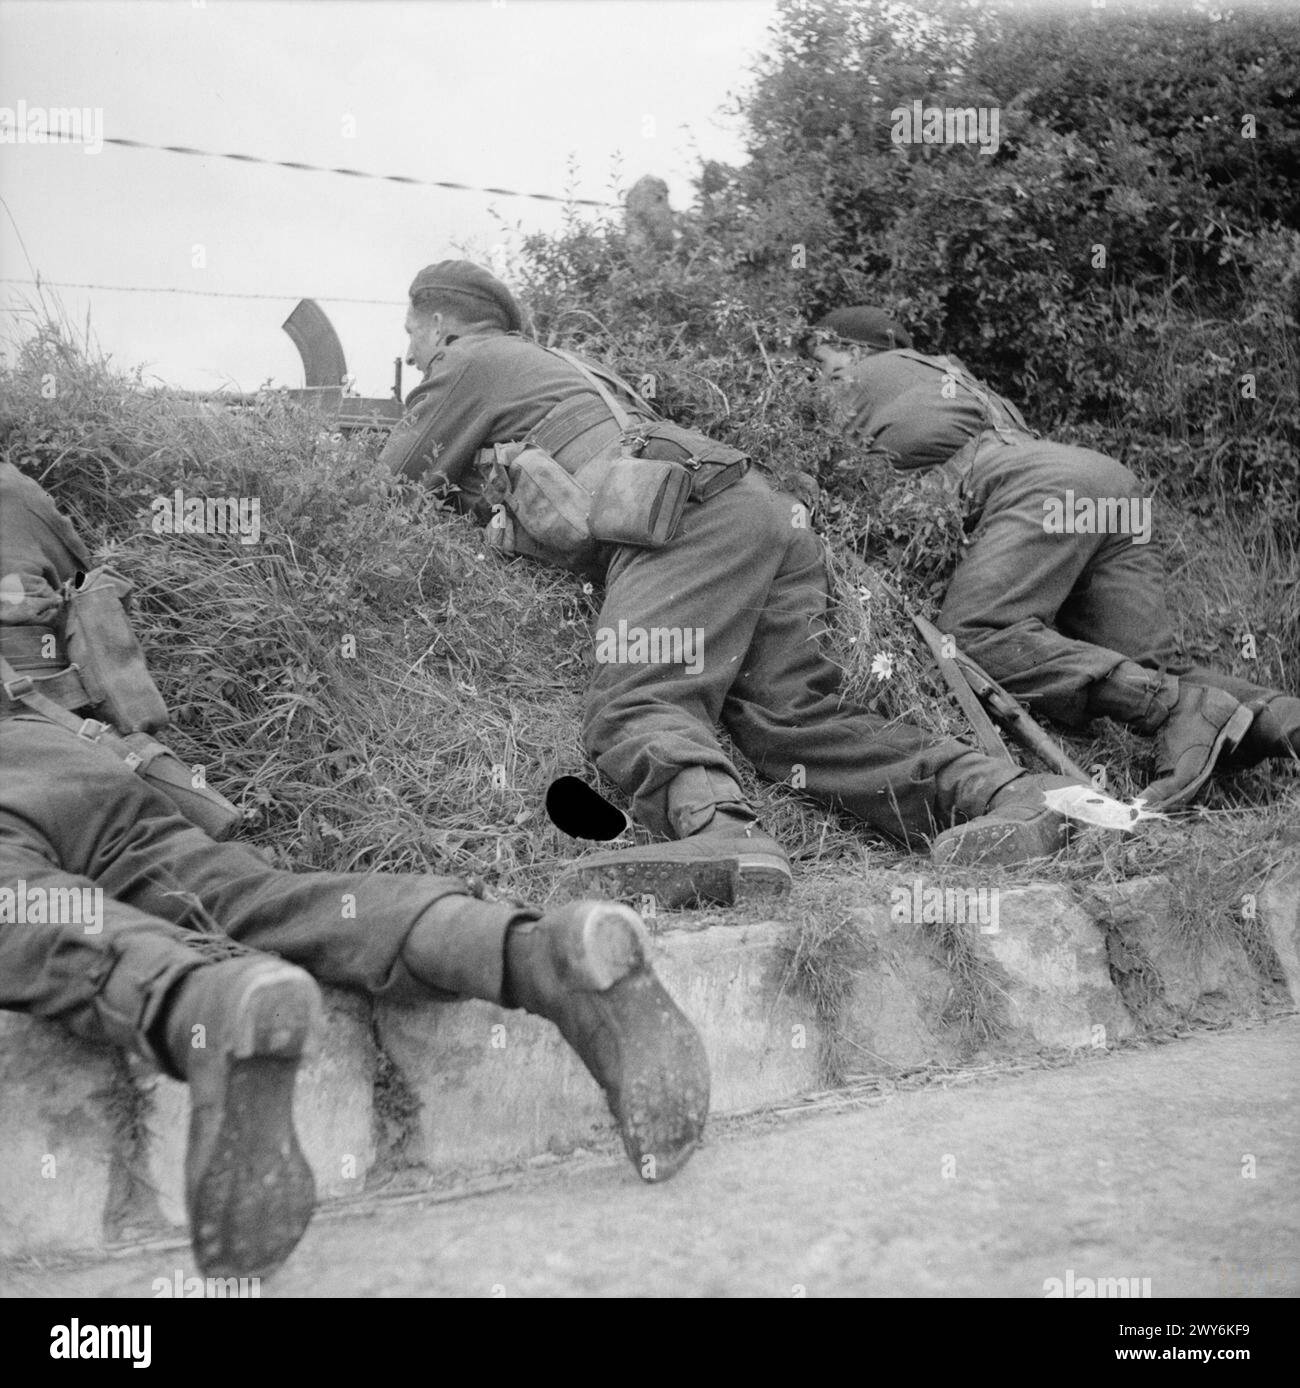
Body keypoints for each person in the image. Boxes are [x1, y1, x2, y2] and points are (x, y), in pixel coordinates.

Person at [0, 460, 709, 1279]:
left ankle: (201, 1006)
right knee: (262, 898)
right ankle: (536, 953)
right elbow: (84, 595)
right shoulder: (18, 489)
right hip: (84, 762)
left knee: (27, 906)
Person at [378, 260, 1090, 906]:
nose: (411, 351)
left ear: (439, 321)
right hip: (755, 506)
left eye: (411, 332)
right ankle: (1008, 794)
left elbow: (382, 487)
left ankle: (722, 836)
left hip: (685, 516)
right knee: (793, 725)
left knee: (635, 696)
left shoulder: (469, 360)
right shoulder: (554, 365)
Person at [808, 306, 1299, 808]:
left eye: (821, 361)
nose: (818, 377)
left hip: (1039, 489)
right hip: (1105, 484)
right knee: (1139, 664)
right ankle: (1280, 718)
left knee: (975, 635)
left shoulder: (859, 377)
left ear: (852, 350)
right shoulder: (948, 375)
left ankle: (1177, 708)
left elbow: (820, 481)